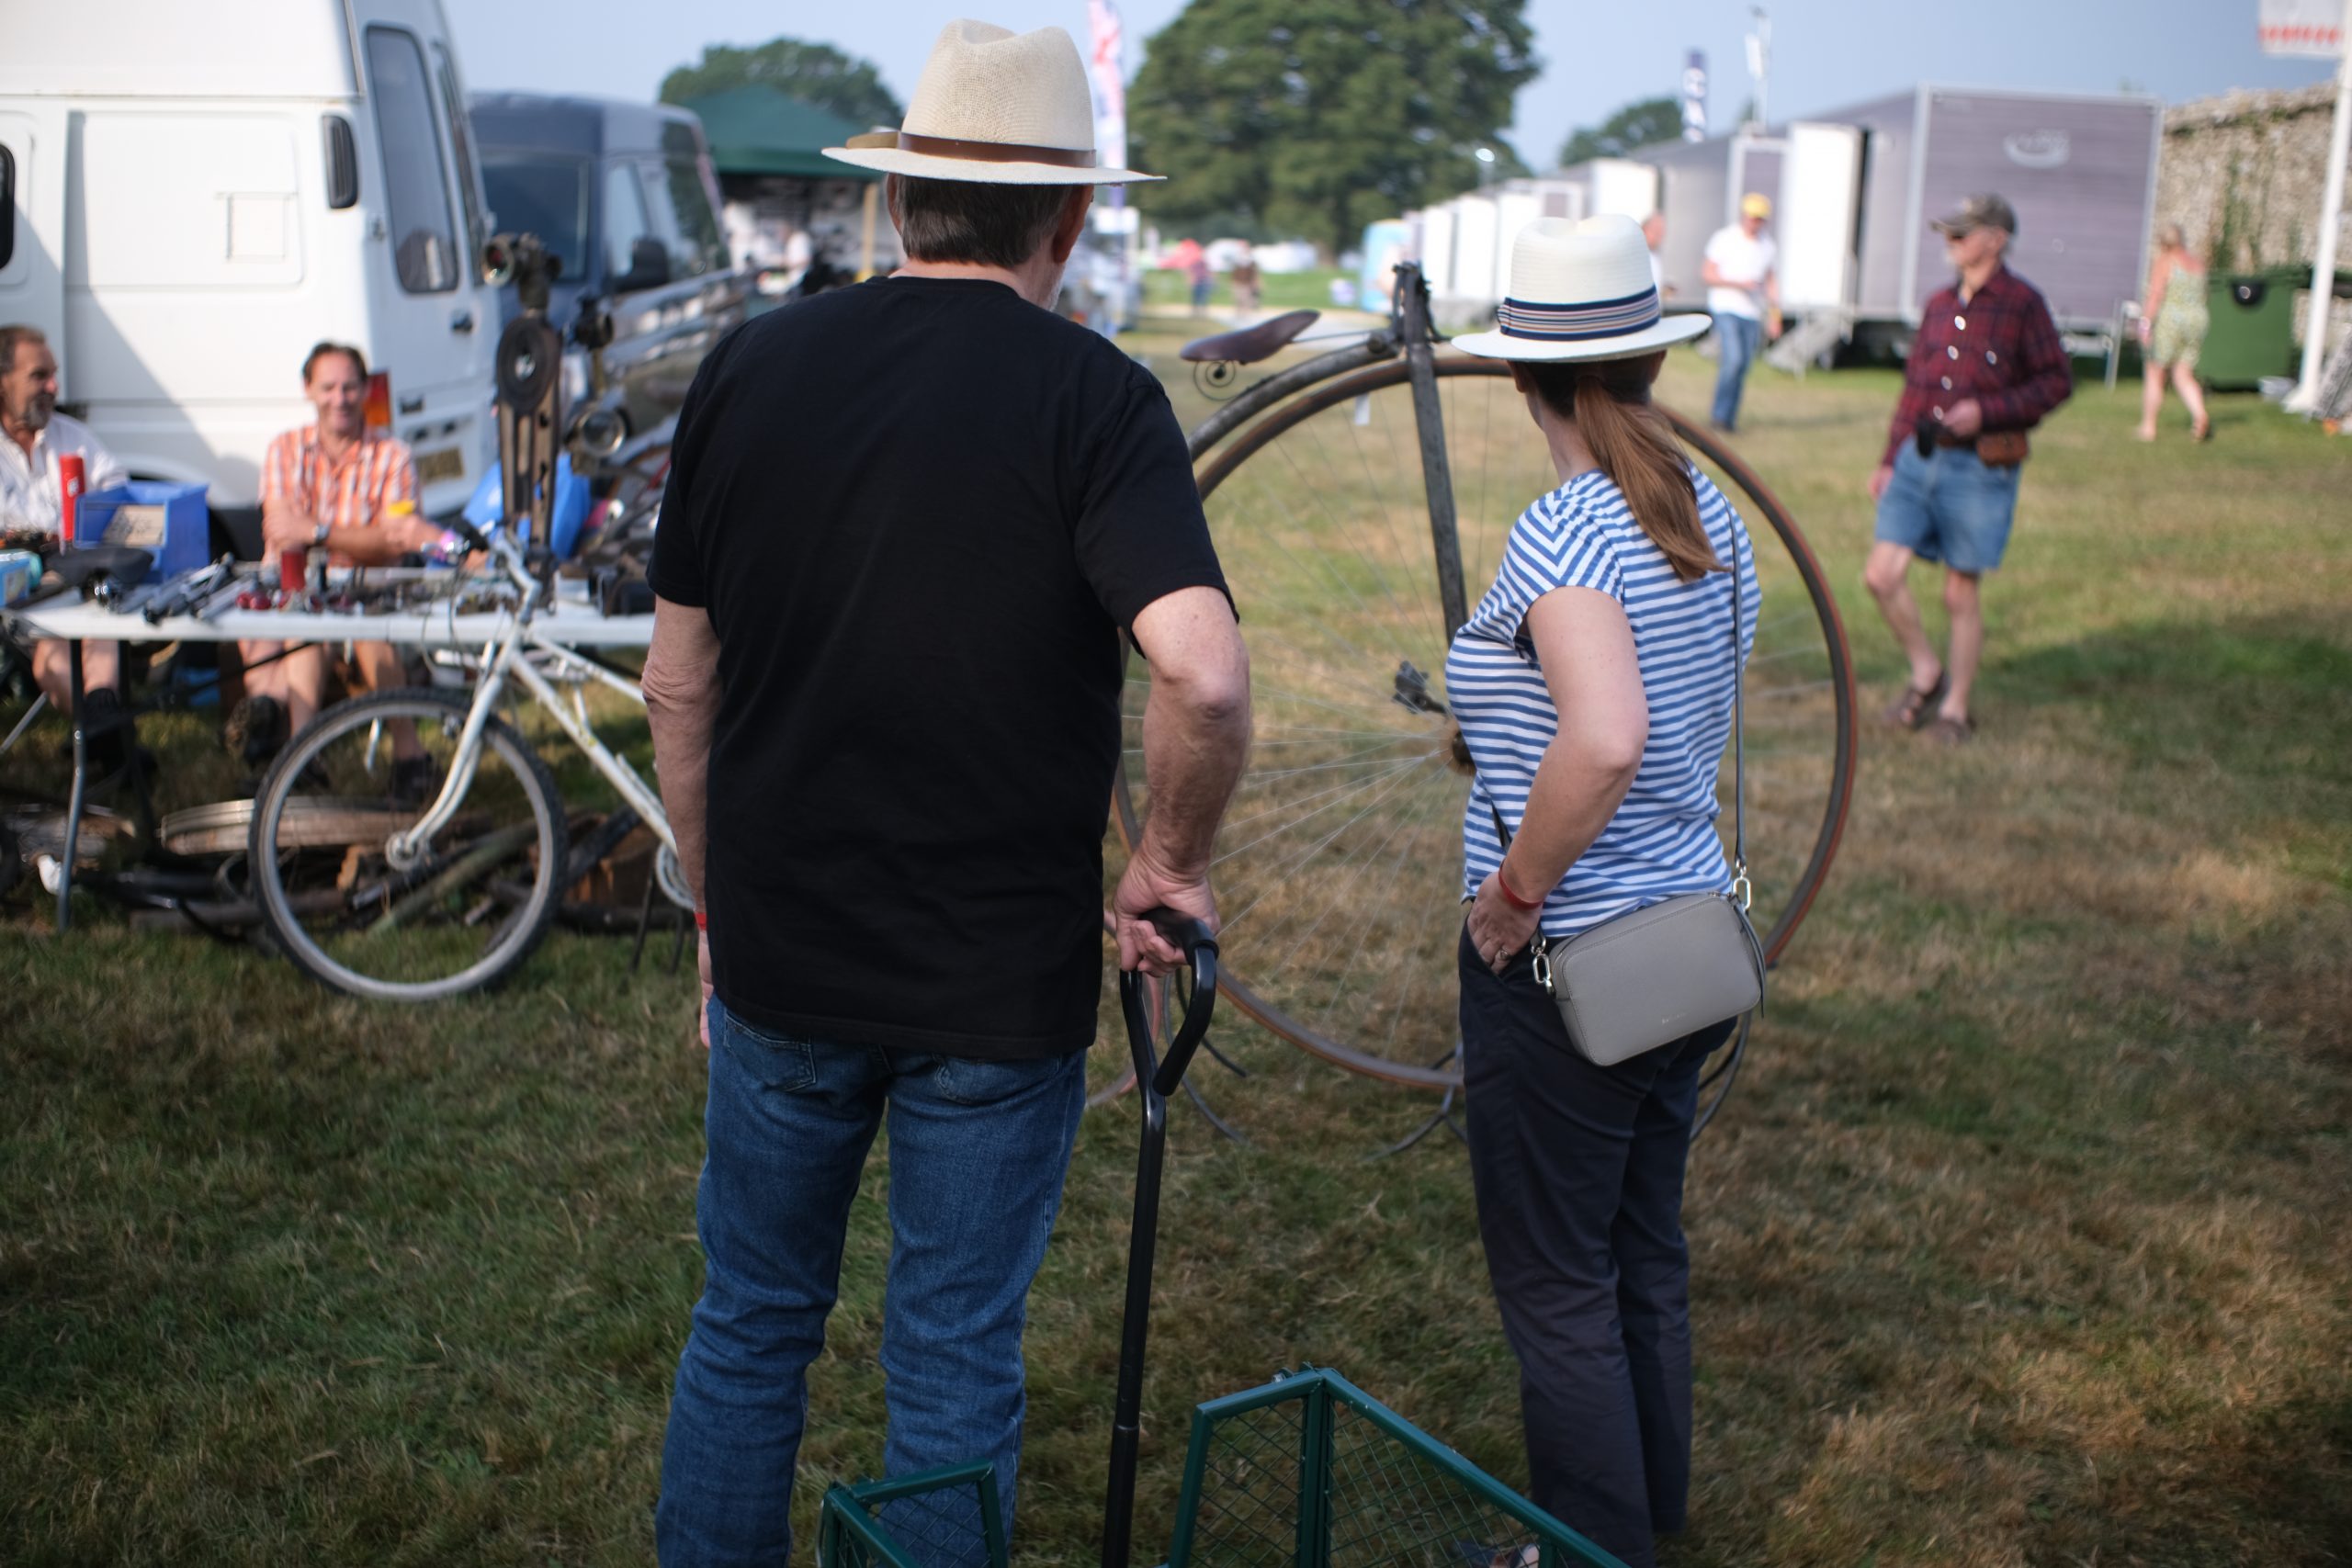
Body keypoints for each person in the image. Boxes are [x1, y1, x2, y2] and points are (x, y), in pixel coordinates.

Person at [641, 19, 1250, 1567]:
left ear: (903, 200)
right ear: (1070, 217)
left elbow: (675, 682)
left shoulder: (751, 365)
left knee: (753, 1324)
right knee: (954, 1358)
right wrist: (1169, 861)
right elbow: (1205, 674)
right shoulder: (1097, 398)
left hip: (785, 953)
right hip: (997, 978)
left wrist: (712, 900)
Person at [1446, 214, 1752, 1568]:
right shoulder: (1700, 506)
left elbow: (1609, 731)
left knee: (1559, 1277)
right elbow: (1650, 709)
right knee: (1642, 1246)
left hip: (1572, 958)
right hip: (1689, 940)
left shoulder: (1568, 526)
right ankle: (1648, 1513)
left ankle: (1580, 1547)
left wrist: (1517, 888)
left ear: (1526, 377)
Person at [1863, 193, 2071, 745]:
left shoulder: (2023, 303)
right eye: (1948, 234)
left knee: (1959, 593)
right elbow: (1915, 389)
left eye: (1961, 234)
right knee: (1880, 575)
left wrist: (1988, 412)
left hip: (1979, 467)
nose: (1950, 244)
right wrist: (1889, 460)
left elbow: (2055, 381)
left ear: (1995, 239)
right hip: (1919, 457)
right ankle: (1927, 671)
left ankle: (1955, 708)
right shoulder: (1937, 304)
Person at [232, 343, 439, 786]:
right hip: (301, 591)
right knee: (308, 620)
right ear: (308, 389)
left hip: (367, 591)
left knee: (368, 626)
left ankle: (403, 758)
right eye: (328, 387)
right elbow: (280, 531)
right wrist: (352, 537)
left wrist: (317, 531)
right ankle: (302, 756)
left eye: (349, 387)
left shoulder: (392, 454)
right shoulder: (285, 448)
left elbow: (393, 544)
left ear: (366, 390)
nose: (339, 398)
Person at [0, 324, 132, 750]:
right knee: (55, 654)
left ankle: (97, 725)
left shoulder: (72, 437)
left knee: (100, 621)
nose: (54, 387)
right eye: (39, 376)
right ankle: (111, 740)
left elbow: (119, 496)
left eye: (53, 375)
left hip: (78, 583)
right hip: (17, 594)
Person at [1700, 193, 1781, 432]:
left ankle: (1728, 420)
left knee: (1744, 365)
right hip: (1726, 307)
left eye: (1759, 219)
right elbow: (1708, 274)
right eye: (1752, 217)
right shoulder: (1725, 238)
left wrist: (1775, 316)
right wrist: (1739, 284)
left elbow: (1771, 282)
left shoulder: (1768, 246)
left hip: (1752, 313)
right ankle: (1718, 416)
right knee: (1732, 360)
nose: (1755, 222)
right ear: (1744, 215)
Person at [2137, 222, 2211, 442]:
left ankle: (2148, 427)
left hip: (2172, 321)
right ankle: (2200, 415)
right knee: (2183, 374)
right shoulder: (2197, 264)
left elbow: (2156, 295)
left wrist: (2145, 324)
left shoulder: (2166, 261)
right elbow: (2205, 295)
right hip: (2197, 320)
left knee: (2155, 371)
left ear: (2163, 243)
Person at [1640, 211, 1669, 298]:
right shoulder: (1638, 257)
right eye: (1656, 231)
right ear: (1644, 229)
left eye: (1661, 231)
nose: (1659, 236)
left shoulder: (1655, 256)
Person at [1229, 254, 1261, 318]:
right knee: (1239, 299)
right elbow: (1234, 276)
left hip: (1246, 285)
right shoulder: (1237, 268)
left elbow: (1253, 277)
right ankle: (1239, 312)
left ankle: (1245, 313)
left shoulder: (1250, 268)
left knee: (1245, 300)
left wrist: (1255, 285)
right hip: (1239, 284)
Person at [1187, 250, 1213, 315]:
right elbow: (1190, 273)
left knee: (1203, 298)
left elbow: (1209, 272)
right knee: (1195, 298)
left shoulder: (1204, 263)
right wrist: (1191, 281)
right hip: (1197, 282)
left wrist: (1210, 281)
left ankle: (1203, 312)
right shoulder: (1194, 263)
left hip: (1203, 282)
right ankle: (1195, 312)